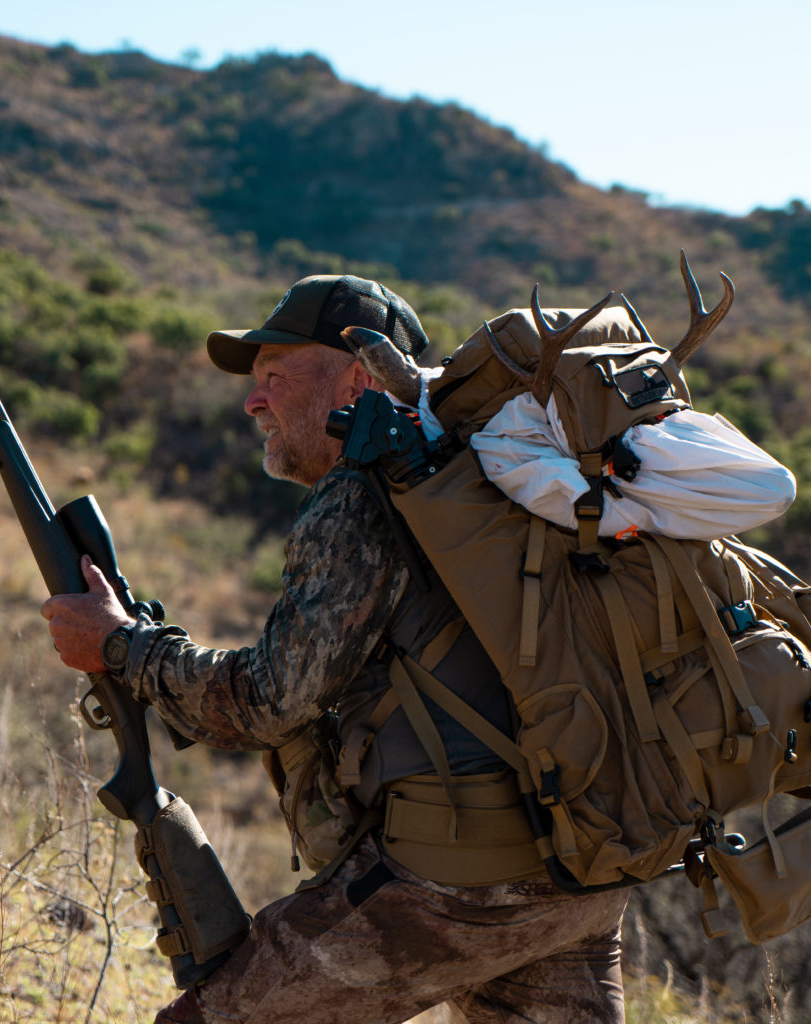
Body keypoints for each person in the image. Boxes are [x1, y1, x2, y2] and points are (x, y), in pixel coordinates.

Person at [41, 275, 628, 1024]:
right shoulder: (493, 475)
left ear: (357, 375)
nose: (255, 401)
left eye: (275, 375)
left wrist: (124, 646)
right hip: (589, 860)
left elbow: (267, 702)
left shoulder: (365, 493)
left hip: (461, 881)